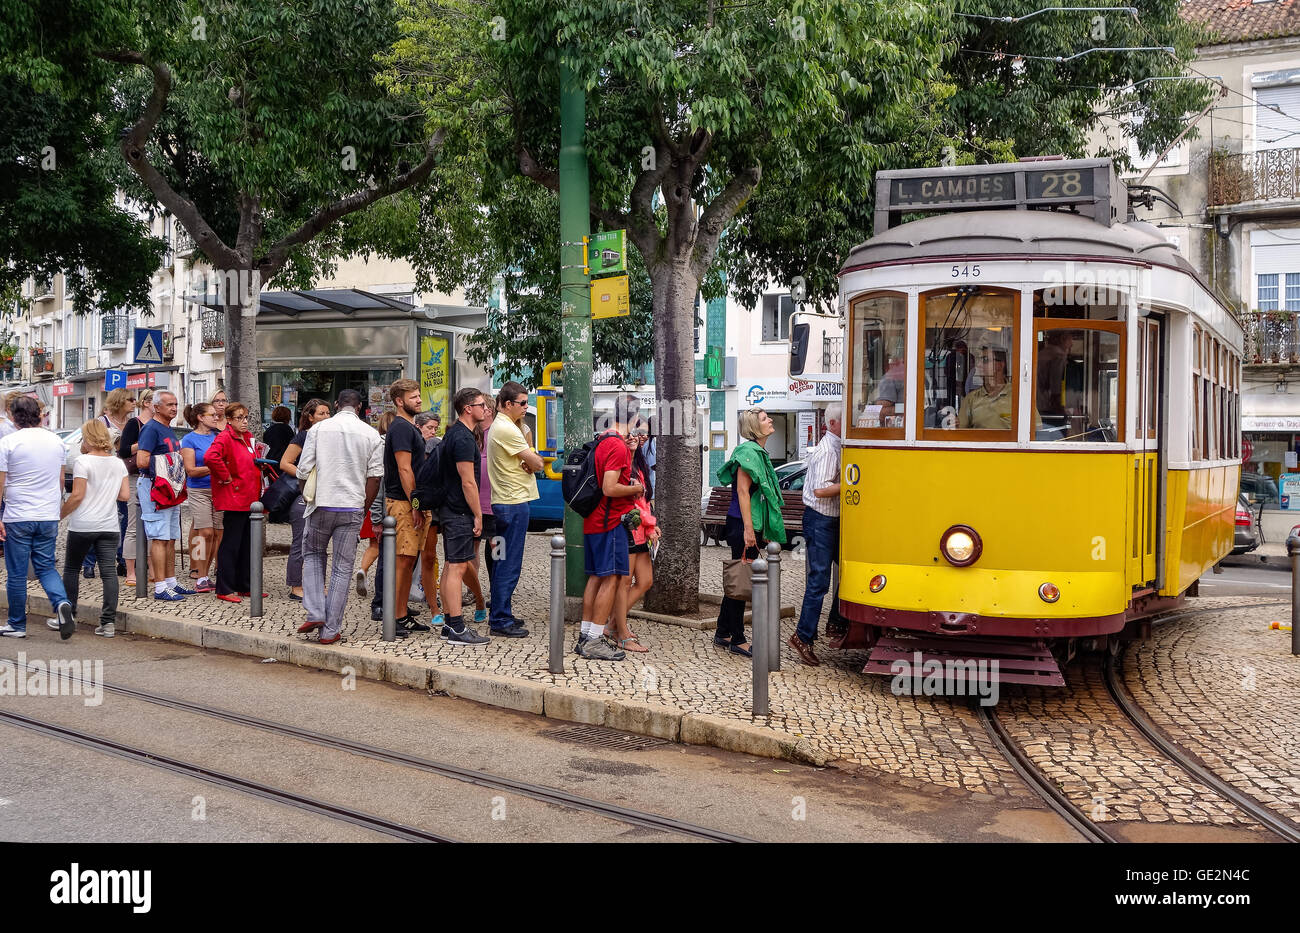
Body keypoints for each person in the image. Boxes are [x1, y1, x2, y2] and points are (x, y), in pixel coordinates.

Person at [295, 389, 383, 644]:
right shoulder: (371, 434)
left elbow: (303, 470)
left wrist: (307, 497)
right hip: (352, 507)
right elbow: (375, 477)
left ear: (336, 405)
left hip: (322, 503)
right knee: (342, 569)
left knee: (312, 555)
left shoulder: (319, 430)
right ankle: (330, 630)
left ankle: (315, 611)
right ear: (361, 408)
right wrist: (363, 508)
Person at [0, 397, 77, 639]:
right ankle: (62, 603)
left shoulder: (8, 442)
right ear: (38, 414)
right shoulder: (56, 441)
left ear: (13, 416)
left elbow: (0, 483)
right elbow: (60, 480)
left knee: (17, 573)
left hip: (18, 515)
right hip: (47, 515)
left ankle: (17, 624)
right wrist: (56, 509)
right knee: (45, 566)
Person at [575, 396, 645, 661]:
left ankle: (586, 635)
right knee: (612, 578)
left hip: (595, 520)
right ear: (635, 418)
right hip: (610, 521)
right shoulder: (616, 445)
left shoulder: (603, 439)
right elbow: (609, 487)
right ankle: (593, 641)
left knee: (595, 577)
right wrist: (637, 488)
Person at [714, 407, 787, 657]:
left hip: (745, 523)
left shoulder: (758, 452)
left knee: (740, 575)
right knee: (744, 578)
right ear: (755, 426)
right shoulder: (748, 452)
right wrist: (749, 530)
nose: (771, 420)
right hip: (741, 524)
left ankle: (723, 631)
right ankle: (738, 638)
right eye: (766, 418)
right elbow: (743, 492)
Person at [60, 419, 130, 637]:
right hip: (109, 525)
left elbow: (78, 495)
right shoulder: (118, 463)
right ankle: (108, 623)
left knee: (72, 569)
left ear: (88, 439)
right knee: (108, 572)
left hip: (84, 524)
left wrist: (60, 515)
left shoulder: (83, 461)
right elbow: (124, 496)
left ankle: (68, 616)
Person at [436, 387, 491, 645]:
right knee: (457, 567)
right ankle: (457, 627)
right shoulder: (463, 438)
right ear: (468, 408)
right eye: (481, 404)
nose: (485, 408)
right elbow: (468, 482)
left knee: (451, 565)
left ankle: (450, 623)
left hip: (450, 508)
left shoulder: (455, 434)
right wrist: (478, 514)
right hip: (458, 510)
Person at [487, 382, 543, 637]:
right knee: (508, 563)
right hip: (513, 503)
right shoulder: (507, 429)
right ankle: (500, 619)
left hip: (503, 502)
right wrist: (532, 457)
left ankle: (501, 611)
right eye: (522, 403)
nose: (526, 407)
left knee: (501, 560)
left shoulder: (505, 426)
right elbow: (537, 463)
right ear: (508, 404)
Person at [790, 404, 843, 666]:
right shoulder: (828, 450)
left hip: (828, 520)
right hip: (821, 519)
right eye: (846, 421)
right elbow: (821, 491)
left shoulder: (835, 447)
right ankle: (803, 636)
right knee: (819, 582)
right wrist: (852, 483)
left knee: (846, 571)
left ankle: (836, 622)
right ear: (833, 424)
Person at [383, 380, 433, 634]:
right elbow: (404, 468)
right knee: (403, 561)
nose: (419, 400)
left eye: (419, 396)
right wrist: (415, 503)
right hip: (402, 502)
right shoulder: (401, 428)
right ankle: (394, 616)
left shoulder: (408, 427)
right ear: (399, 401)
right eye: (413, 397)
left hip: (410, 501)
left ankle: (401, 613)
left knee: (408, 560)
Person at [136, 390, 191, 601]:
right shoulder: (151, 429)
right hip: (155, 487)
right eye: (169, 404)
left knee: (170, 538)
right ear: (156, 407)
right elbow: (142, 461)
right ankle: (160, 586)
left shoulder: (167, 429)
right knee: (159, 537)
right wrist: (171, 462)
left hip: (169, 487)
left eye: (176, 404)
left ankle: (170, 582)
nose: (174, 408)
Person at [205, 402, 262, 602]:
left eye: (246, 417)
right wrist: (226, 477)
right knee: (231, 544)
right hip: (235, 498)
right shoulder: (225, 437)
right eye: (239, 418)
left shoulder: (246, 438)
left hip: (249, 497)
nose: (244, 421)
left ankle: (243, 585)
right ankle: (225, 587)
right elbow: (211, 457)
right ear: (229, 420)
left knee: (247, 543)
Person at [609, 419, 657, 651]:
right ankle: (622, 633)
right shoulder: (621, 461)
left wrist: (650, 525)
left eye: (642, 434)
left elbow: (644, 500)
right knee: (625, 581)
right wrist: (650, 523)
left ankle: (612, 624)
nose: (637, 437)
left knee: (645, 581)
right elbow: (631, 501)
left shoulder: (640, 463)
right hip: (628, 527)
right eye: (634, 433)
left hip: (643, 530)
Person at [80, 387, 135, 579]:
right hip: (100, 478)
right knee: (97, 520)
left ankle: (120, 561)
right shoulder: (100, 422)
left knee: (123, 520)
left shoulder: (131, 423)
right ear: (119, 401)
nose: (133, 403)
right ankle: (89, 563)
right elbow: (83, 448)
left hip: (122, 476)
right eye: (130, 399)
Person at [280, 399, 331, 601]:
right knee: (301, 541)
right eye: (321, 413)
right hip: (303, 495)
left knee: (320, 543)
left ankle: (317, 584)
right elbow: (285, 463)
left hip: (324, 496)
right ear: (310, 417)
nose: (326, 417)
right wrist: (307, 477)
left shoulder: (329, 437)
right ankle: (296, 585)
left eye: (328, 413)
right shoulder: (303, 436)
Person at [180, 403, 222, 593]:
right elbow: (190, 470)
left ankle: (207, 574)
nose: (216, 418)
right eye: (212, 415)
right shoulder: (189, 440)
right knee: (203, 532)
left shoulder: (218, 437)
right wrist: (215, 467)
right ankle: (199, 572)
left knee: (216, 534)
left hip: (218, 490)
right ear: (200, 417)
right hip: (198, 491)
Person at [118, 390, 153, 587]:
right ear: (147, 403)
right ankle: (130, 570)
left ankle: (150, 567)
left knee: (151, 526)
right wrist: (144, 444)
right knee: (133, 524)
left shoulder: (159, 424)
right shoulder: (135, 423)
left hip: (154, 475)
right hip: (135, 476)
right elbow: (123, 450)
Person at [360, 411, 394, 607]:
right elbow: (379, 480)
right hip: (379, 506)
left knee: (374, 545)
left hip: (370, 502)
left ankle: (363, 570)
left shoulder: (374, 444)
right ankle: (381, 601)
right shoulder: (384, 446)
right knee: (381, 548)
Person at [958, 346, 1014, 430]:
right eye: (979, 361)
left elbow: (1035, 431)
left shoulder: (1018, 396)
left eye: (985, 360)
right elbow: (959, 433)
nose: (979, 365)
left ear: (1000, 365)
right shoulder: (971, 399)